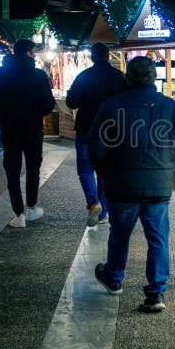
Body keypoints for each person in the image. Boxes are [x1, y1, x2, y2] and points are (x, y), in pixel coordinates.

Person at [89, 56, 175, 312]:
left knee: (120, 234)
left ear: (128, 77)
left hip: (122, 185)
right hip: (158, 186)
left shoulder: (112, 106)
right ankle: (156, 293)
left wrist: (108, 172)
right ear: (153, 77)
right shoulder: (172, 108)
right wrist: (167, 169)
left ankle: (114, 279)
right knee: (158, 238)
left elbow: (96, 147)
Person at [0, 40, 56, 228]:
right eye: (34, 51)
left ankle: (19, 214)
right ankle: (32, 208)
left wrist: (4, 116)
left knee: (12, 171)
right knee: (33, 168)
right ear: (27, 53)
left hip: (10, 129)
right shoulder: (38, 75)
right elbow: (49, 104)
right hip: (33, 129)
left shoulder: (0, 73)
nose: (35, 55)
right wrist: (36, 114)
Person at [66, 42, 126, 227]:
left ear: (92, 57)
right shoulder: (119, 77)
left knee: (85, 168)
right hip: (111, 132)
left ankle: (93, 203)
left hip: (86, 129)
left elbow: (71, 102)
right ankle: (103, 213)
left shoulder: (84, 76)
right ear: (108, 56)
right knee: (105, 171)